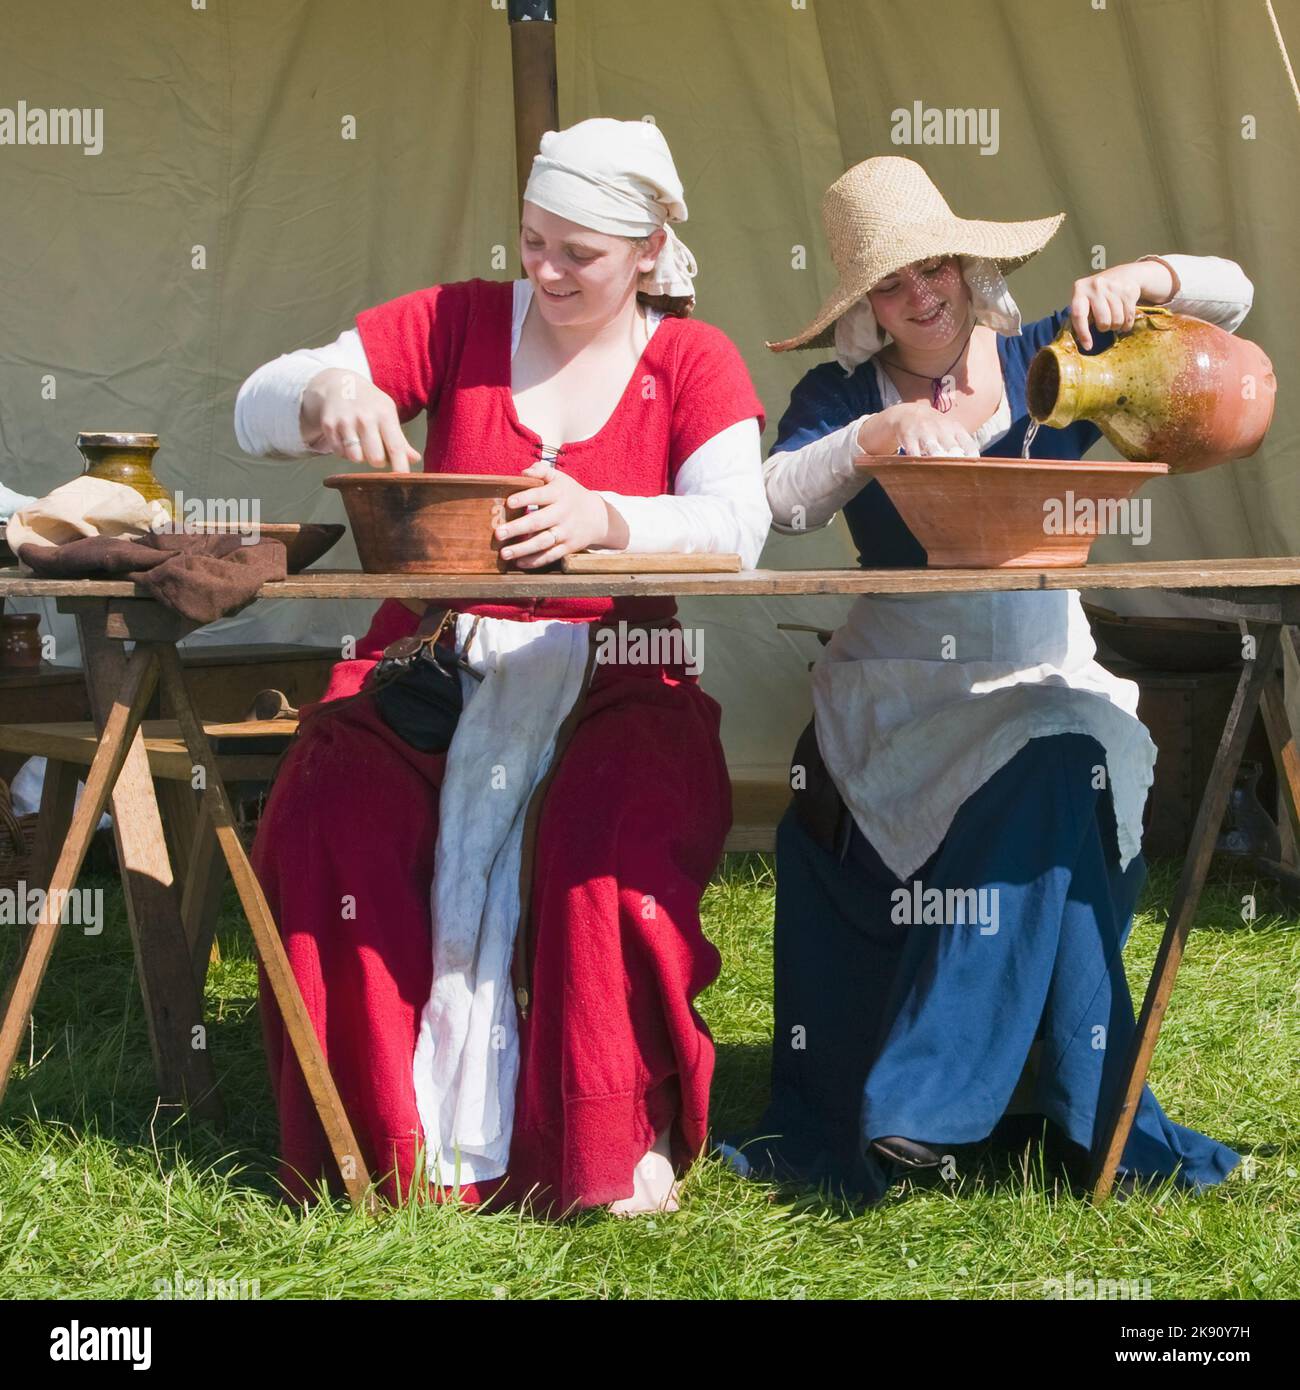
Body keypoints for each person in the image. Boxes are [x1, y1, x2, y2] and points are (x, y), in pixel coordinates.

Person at [234, 117, 769, 1216]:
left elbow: (739, 526)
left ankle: (603, 1139)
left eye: (581, 251)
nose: (547, 269)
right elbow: (253, 407)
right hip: (431, 654)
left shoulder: (688, 358)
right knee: (333, 800)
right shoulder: (457, 320)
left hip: (621, 664)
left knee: (604, 831)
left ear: (650, 249)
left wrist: (608, 520)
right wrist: (323, 392)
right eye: (533, 240)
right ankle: (373, 1142)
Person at [727, 155, 1250, 1201]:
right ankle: (1063, 1111)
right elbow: (775, 501)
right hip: (902, 677)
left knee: (1064, 753)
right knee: (1055, 766)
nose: (920, 295)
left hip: (1040, 654)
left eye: (933, 268)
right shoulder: (837, 392)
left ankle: (927, 1106)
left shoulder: (1047, 354)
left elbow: (1232, 292)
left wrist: (1141, 279)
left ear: (966, 264)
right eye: (891, 283)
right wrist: (871, 438)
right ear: (865, 305)